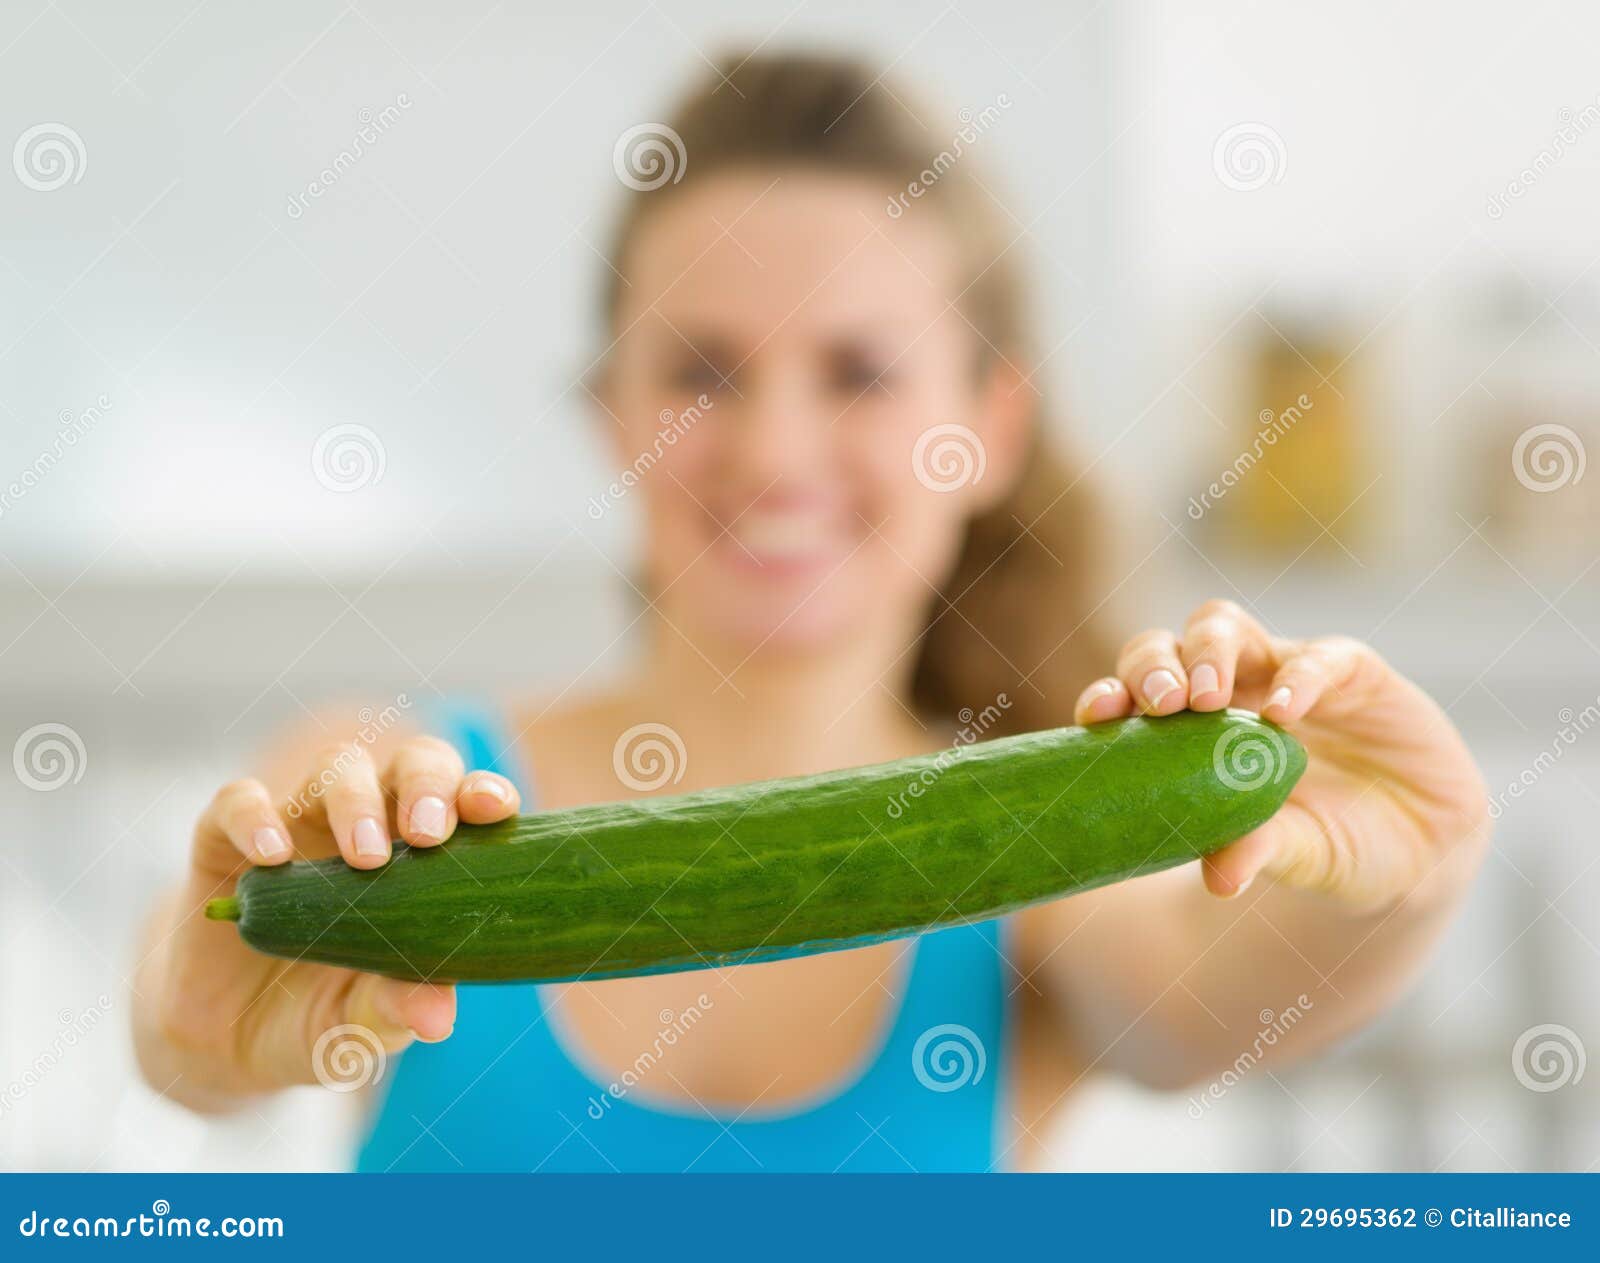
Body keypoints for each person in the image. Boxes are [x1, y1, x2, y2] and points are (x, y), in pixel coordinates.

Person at [131, 52, 1489, 1172]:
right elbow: (189, 1031)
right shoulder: (379, 793)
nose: (775, 453)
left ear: (989, 424)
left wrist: (1407, 872)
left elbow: (1209, 992)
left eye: (859, 372)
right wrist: (199, 1033)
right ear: (611, 413)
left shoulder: (1036, 870)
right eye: (703, 370)